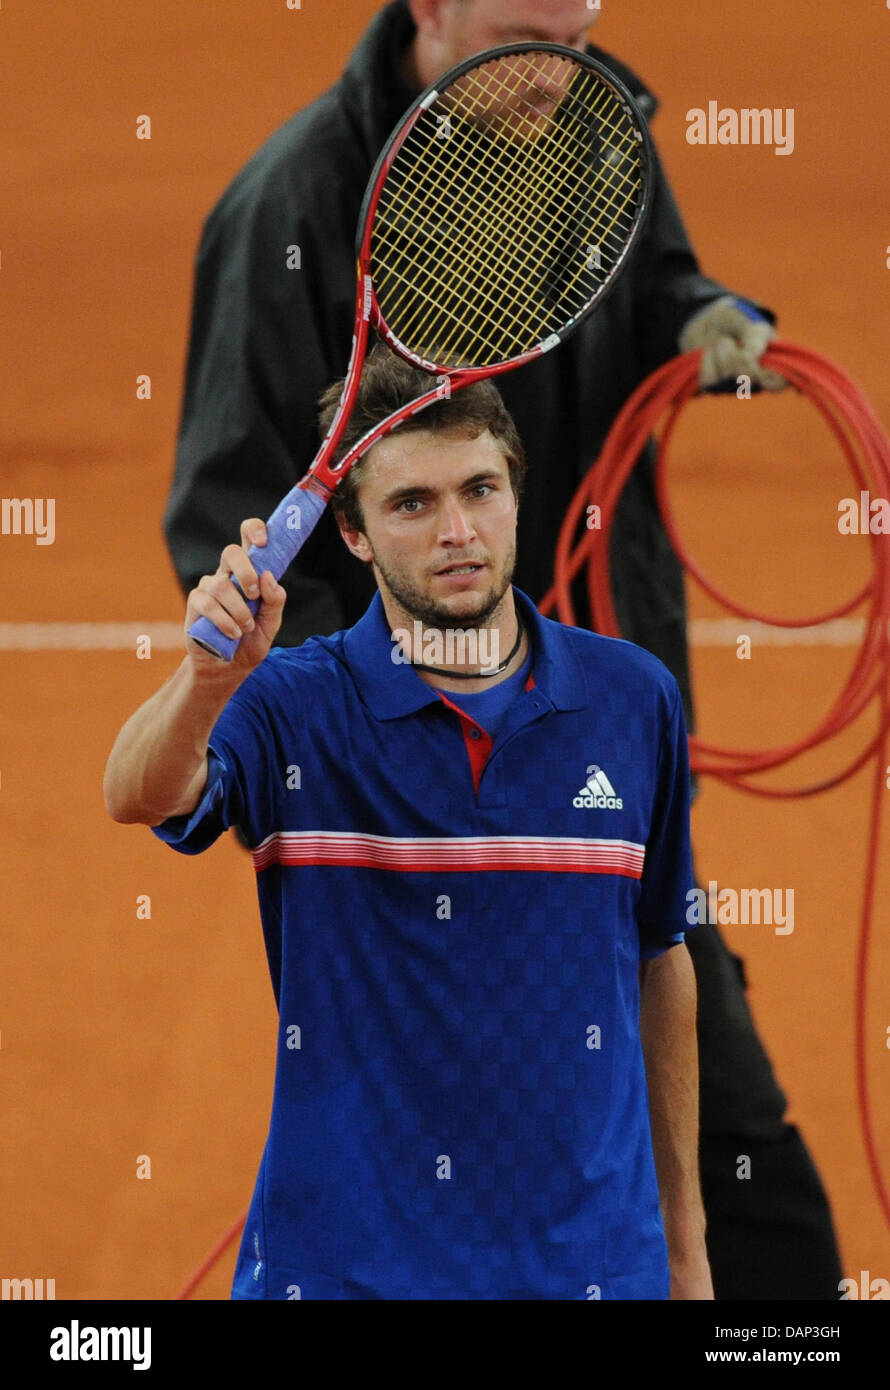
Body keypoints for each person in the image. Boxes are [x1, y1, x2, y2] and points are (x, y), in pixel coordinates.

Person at [162, 0, 843, 1299]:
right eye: (522, 31)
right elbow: (221, 509)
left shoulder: (593, 121)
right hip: (403, 783)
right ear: (429, 5)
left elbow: (637, 288)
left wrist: (699, 318)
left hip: (586, 718)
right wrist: (394, 719)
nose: (558, 58)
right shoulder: (291, 204)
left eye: (576, 22)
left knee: (724, 1116)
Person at [106, 347, 712, 1300]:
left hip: (590, 1270)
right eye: (411, 504)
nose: (458, 532)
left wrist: (686, 1253)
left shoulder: (634, 701)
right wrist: (208, 680)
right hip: (347, 1275)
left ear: (517, 493)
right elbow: (137, 791)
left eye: (479, 488)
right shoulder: (292, 708)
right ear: (351, 532)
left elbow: (660, 955)